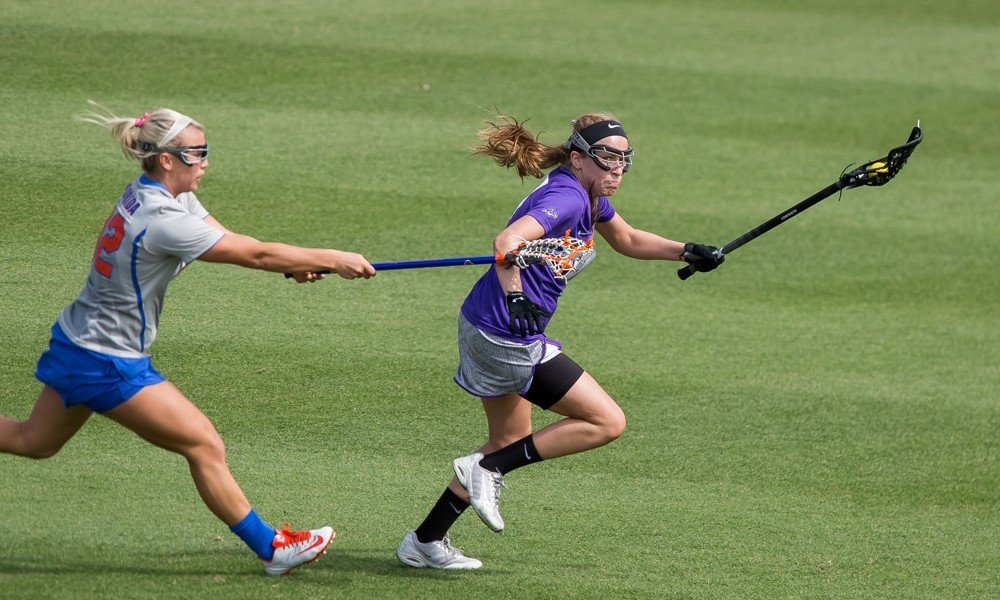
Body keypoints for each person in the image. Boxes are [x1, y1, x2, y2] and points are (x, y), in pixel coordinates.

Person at [0, 102, 376, 576]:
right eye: (197, 153)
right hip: (105, 359)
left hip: (79, 340)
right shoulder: (160, 218)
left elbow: (231, 238)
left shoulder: (157, 195)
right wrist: (333, 256)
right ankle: (272, 549)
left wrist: (298, 266)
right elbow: (253, 255)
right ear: (166, 159)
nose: (205, 162)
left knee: (32, 440)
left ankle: (271, 549)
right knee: (203, 443)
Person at [395, 112, 724, 569]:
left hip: (491, 327)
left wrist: (686, 250)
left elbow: (626, 239)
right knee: (605, 421)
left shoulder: (588, 195)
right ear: (578, 158)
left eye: (624, 163)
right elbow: (507, 240)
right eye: (607, 161)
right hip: (505, 337)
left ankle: (425, 542)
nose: (616, 172)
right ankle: (484, 471)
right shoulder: (567, 197)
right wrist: (515, 297)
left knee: (509, 440)